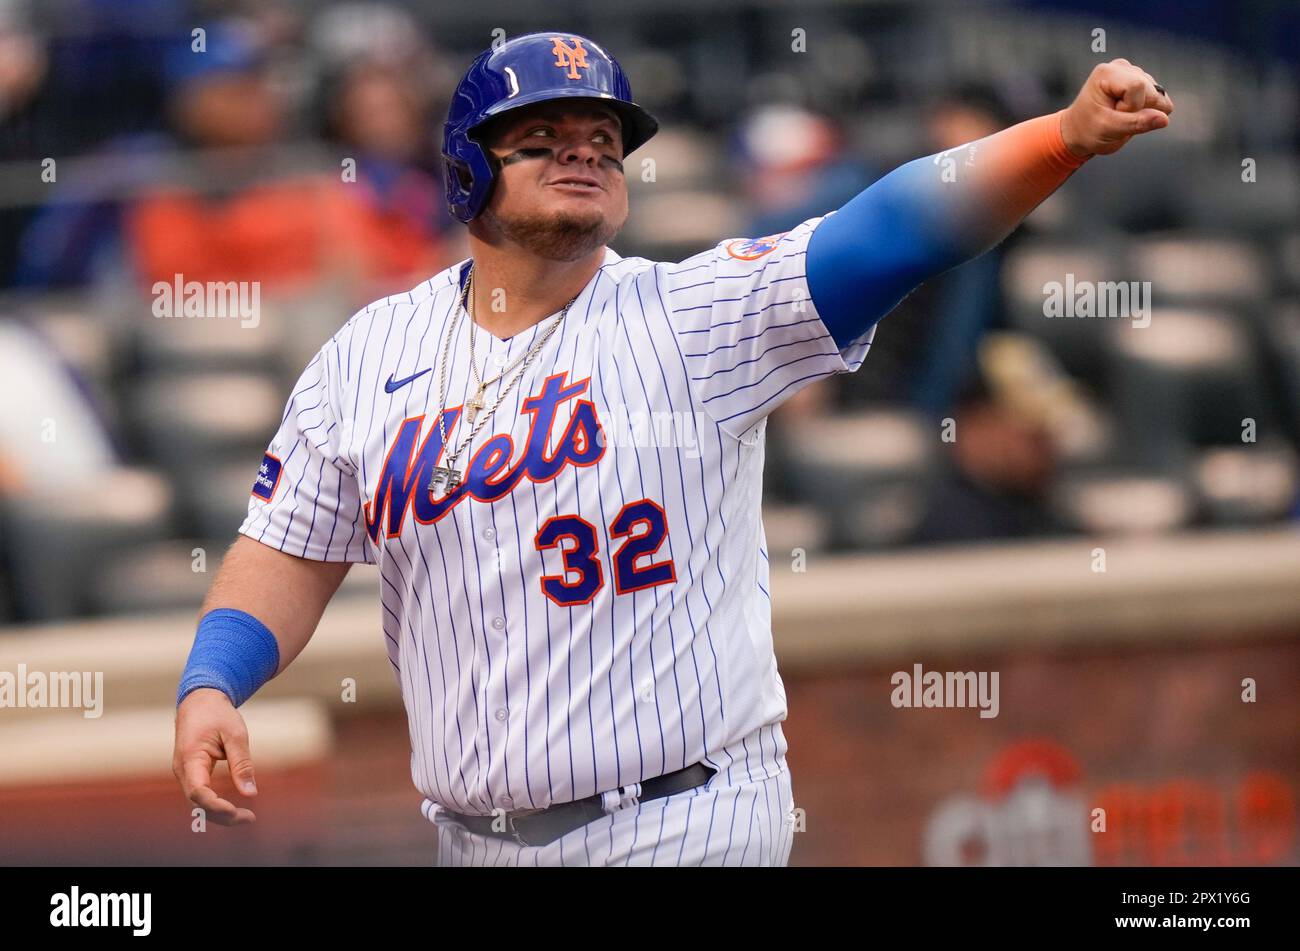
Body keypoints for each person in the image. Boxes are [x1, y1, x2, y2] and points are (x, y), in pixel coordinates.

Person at [172, 32, 1173, 866]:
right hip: (473, 840)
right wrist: (212, 681)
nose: (585, 153)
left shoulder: (690, 316)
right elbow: (289, 546)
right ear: (467, 168)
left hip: (681, 814)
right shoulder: (366, 356)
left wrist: (1064, 137)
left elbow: (895, 230)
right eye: (545, 136)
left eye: (604, 139)